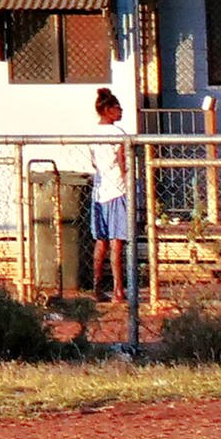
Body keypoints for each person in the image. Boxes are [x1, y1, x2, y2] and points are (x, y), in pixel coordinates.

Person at [84, 87, 134, 296]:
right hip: (117, 190)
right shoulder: (118, 134)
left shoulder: (92, 133)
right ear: (108, 110)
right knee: (117, 242)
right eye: (118, 108)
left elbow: (95, 163)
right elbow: (123, 164)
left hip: (99, 192)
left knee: (100, 241)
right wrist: (129, 181)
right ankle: (118, 288)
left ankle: (96, 286)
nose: (121, 111)